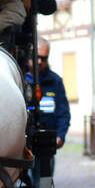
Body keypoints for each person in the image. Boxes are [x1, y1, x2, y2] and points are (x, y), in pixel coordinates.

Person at [26, 36, 71, 179]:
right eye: (36, 57)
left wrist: (60, 136)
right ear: (29, 55)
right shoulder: (19, 79)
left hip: (46, 146)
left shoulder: (55, 81)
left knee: (44, 187)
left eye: (44, 58)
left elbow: (63, 113)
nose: (39, 61)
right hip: (24, 147)